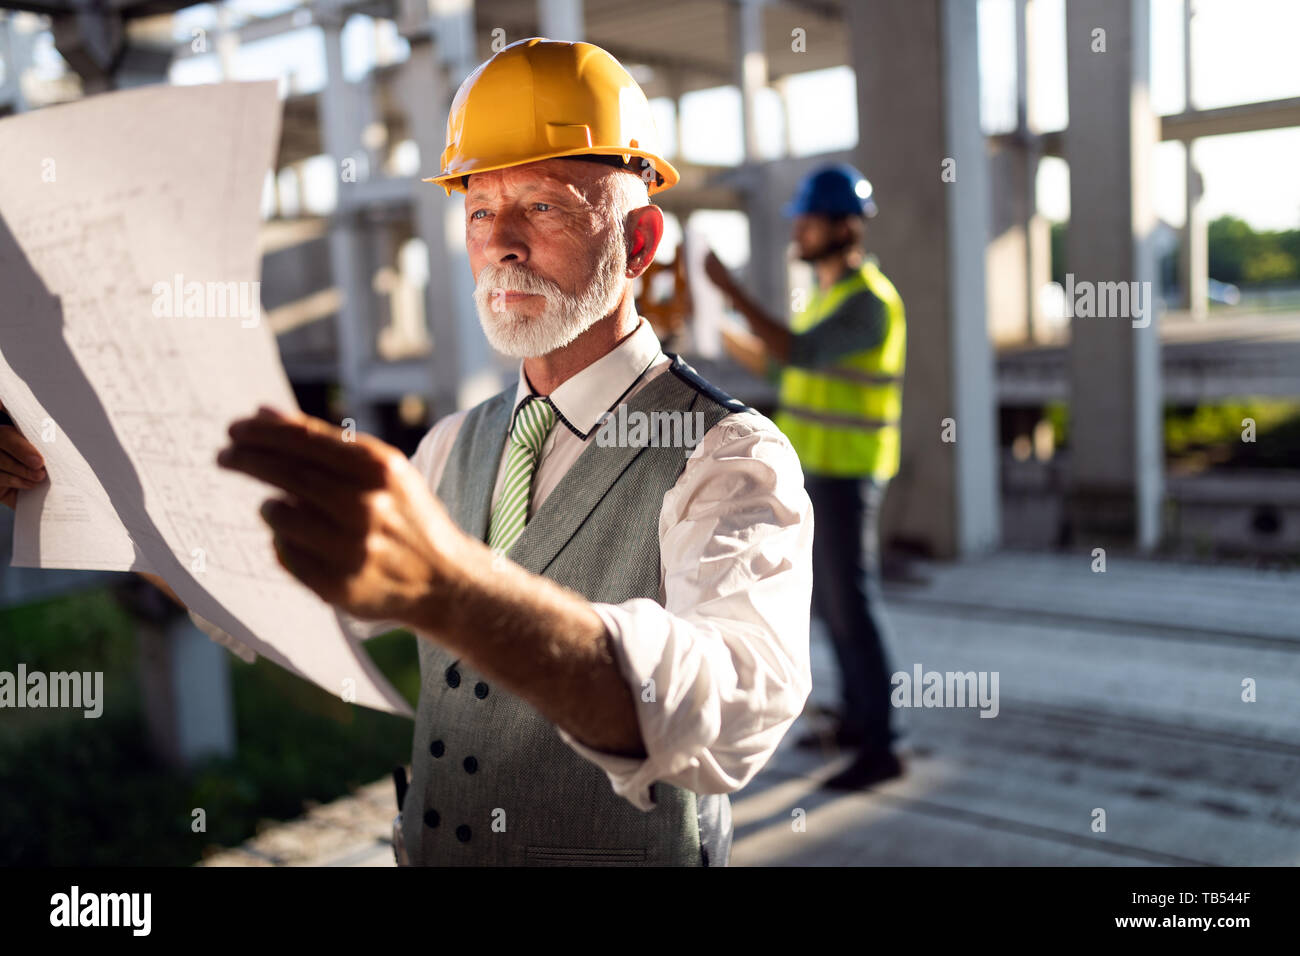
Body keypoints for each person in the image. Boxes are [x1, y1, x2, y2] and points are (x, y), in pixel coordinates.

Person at [0, 37, 814, 867]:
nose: (500, 242)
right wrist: (82, 483)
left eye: (541, 206)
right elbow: (282, 596)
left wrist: (456, 593)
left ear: (639, 242)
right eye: (478, 210)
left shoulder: (728, 457)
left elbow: (738, 707)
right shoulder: (455, 444)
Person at [701, 162, 907, 790]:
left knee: (853, 604)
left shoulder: (869, 302)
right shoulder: (827, 296)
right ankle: (855, 718)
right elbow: (778, 362)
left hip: (848, 474)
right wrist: (713, 322)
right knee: (830, 604)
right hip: (817, 470)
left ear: (845, 227)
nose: (798, 227)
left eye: (809, 219)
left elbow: (797, 351)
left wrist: (729, 289)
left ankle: (882, 746)